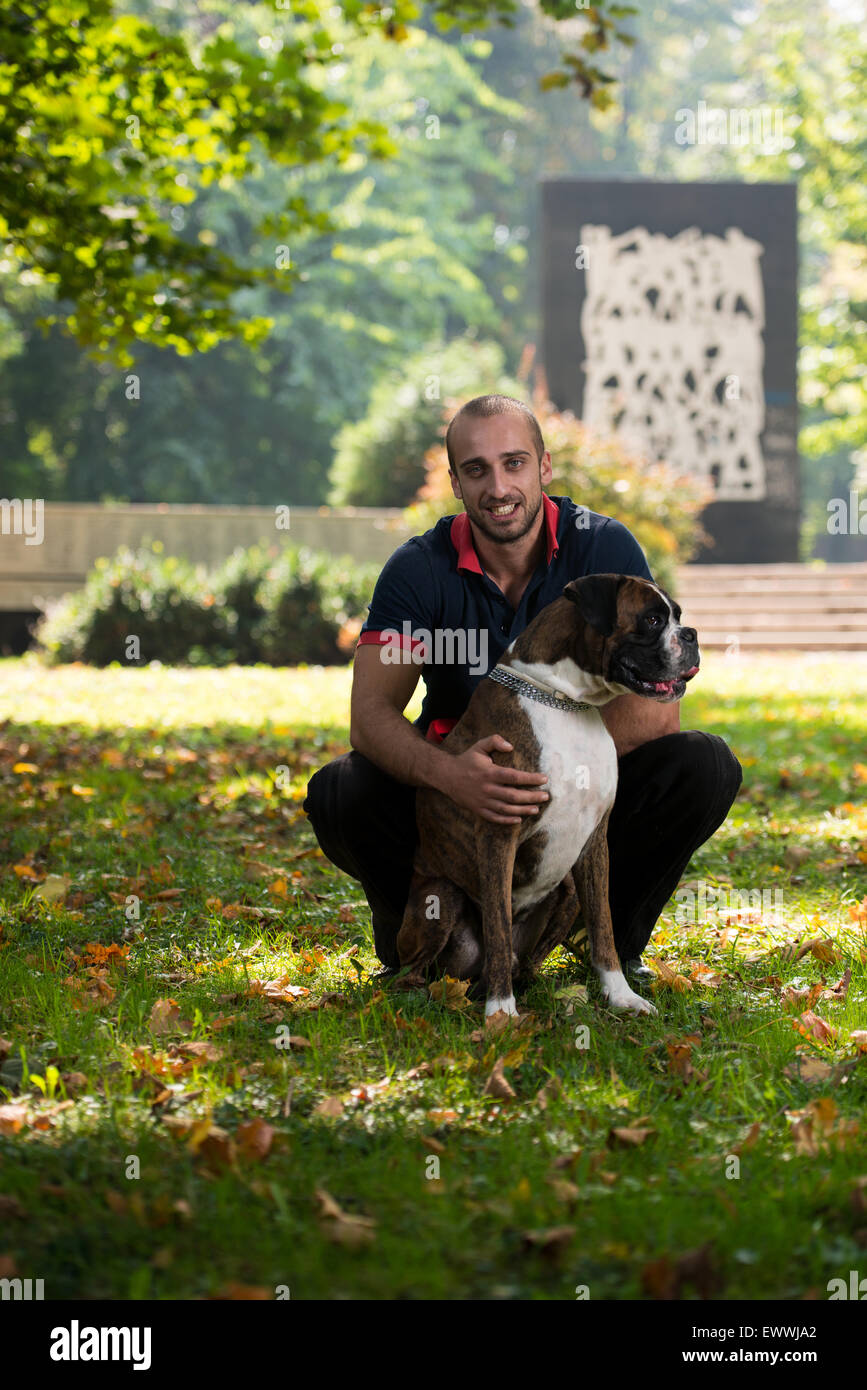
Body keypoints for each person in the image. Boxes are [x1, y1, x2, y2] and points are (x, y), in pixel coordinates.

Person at [303, 394, 742, 981]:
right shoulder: (417, 569)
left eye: (514, 463)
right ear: (455, 482)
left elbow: (655, 713)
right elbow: (371, 717)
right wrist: (451, 773)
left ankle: (612, 945)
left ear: (544, 467)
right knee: (341, 788)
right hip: (454, 798)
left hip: (587, 778)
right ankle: (420, 935)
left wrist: (556, 782)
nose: (498, 487)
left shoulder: (603, 548)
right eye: (476, 469)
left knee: (702, 764)